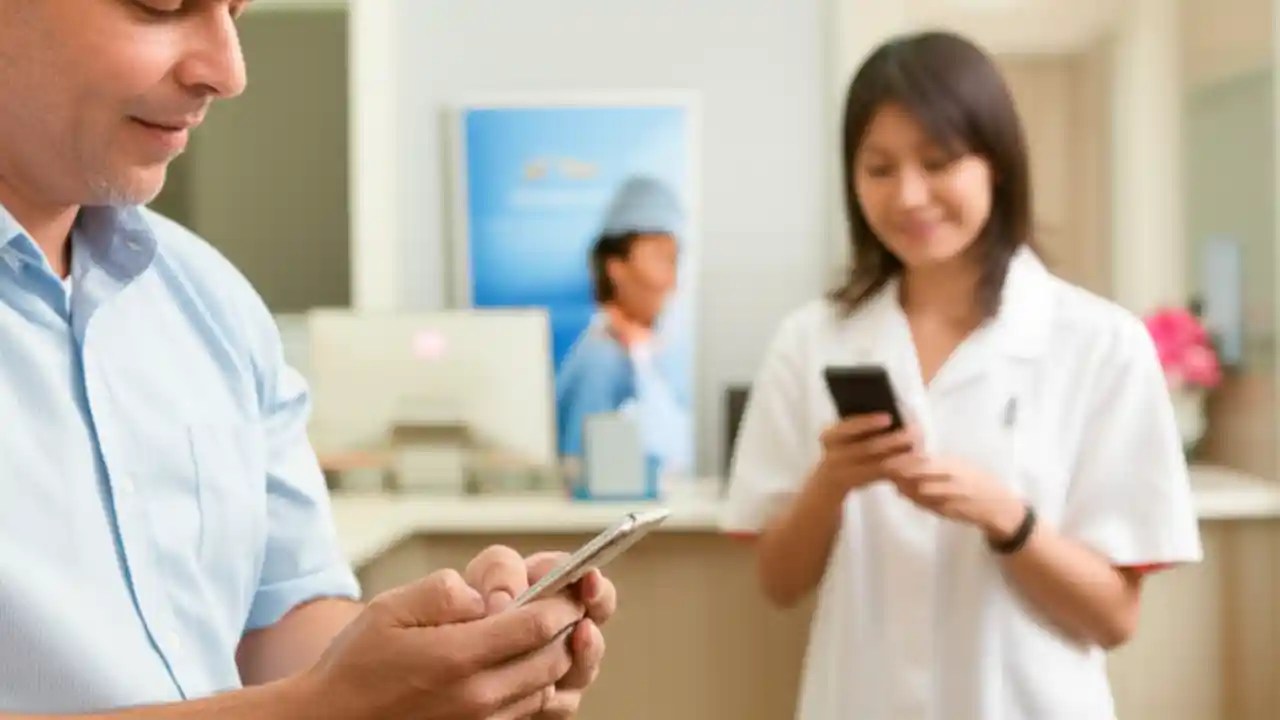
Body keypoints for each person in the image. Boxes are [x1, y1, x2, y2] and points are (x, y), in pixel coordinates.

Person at [0, 2, 615, 718]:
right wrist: (324, 710)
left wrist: (452, 665)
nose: (227, 72)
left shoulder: (209, 302)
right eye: (163, 5)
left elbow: (283, 629)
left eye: (235, 10)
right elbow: (311, 701)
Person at [724, 31, 1201, 720]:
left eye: (938, 161)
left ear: (996, 164)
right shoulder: (810, 340)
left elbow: (1114, 618)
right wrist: (831, 482)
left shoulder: (1101, 343)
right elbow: (779, 582)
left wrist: (1005, 516)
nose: (909, 195)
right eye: (879, 169)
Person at [556, 176, 693, 478]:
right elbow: (579, 472)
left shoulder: (649, 356)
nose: (670, 281)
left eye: (674, 261)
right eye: (660, 259)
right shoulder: (600, 359)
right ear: (616, 267)